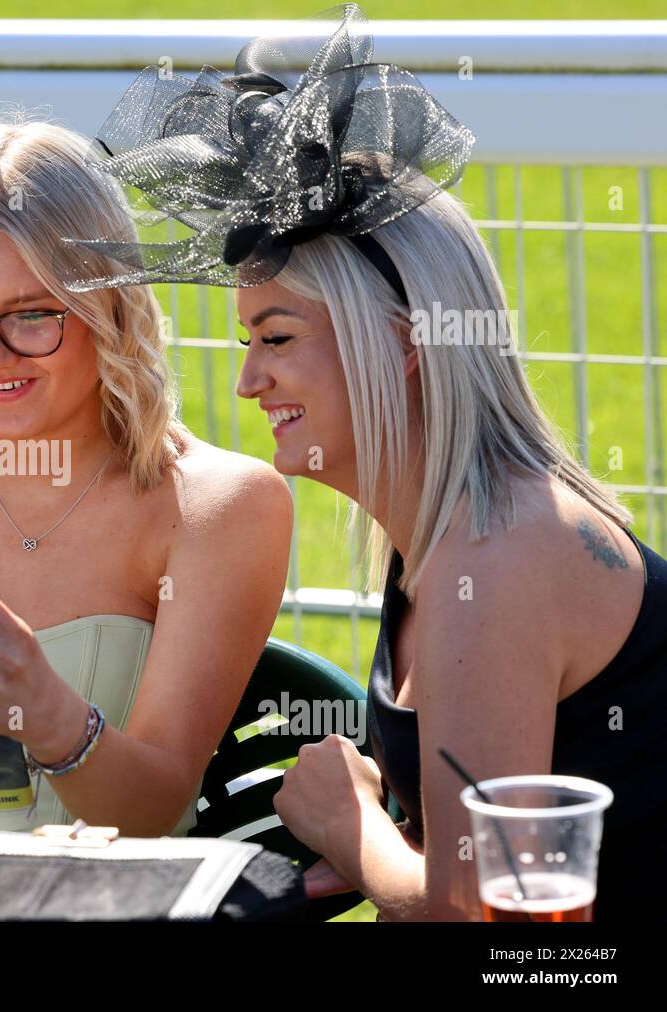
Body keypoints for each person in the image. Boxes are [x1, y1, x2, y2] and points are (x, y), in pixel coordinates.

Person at [58, 4, 667, 918]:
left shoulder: (502, 557)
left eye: (277, 336)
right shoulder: (447, 532)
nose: (248, 383)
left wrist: (350, 823)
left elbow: (477, 915)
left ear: (404, 341)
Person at [0, 55, 292, 835]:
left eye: (30, 316)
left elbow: (155, 809)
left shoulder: (216, 507)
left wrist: (49, 717)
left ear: (108, 309)